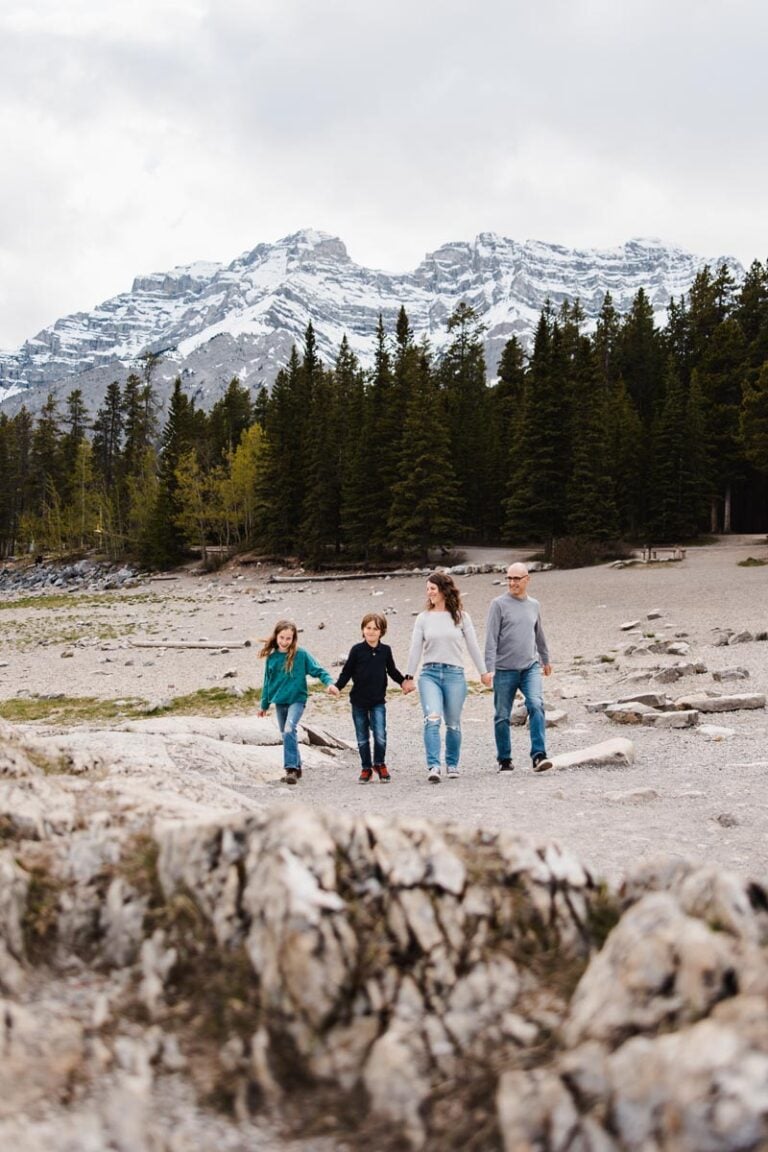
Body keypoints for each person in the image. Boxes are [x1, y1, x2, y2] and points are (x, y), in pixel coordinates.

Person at [405, 571, 492, 783]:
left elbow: (473, 646)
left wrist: (483, 673)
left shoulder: (462, 617)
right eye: (427, 589)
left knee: (453, 723)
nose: (429, 593)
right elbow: (415, 649)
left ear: (444, 590)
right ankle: (434, 766)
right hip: (430, 675)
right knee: (432, 719)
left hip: (455, 675)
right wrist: (408, 676)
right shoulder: (423, 618)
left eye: (433, 589)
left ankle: (452, 764)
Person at [484, 563, 553, 774]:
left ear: (527, 579)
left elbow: (538, 634)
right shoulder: (498, 604)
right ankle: (504, 759)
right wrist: (488, 668)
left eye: (516, 578)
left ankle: (539, 755)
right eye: (509, 578)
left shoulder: (534, 605)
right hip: (504, 669)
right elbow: (491, 638)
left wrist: (545, 659)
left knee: (536, 704)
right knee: (502, 715)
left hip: (530, 667)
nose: (512, 582)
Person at [335, 612, 415, 784]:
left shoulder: (385, 650)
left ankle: (379, 763)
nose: (371, 631)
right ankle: (366, 768)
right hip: (358, 701)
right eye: (368, 628)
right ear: (363, 630)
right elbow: (346, 672)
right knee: (362, 737)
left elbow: (392, 670)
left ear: (382, 632)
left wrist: (403, 682)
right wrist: (337, 687)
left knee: (380, 735)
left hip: (378, 701)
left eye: (375, 629)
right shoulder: (357, 650)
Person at [257, 619, 339, 784]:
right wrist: (264, 705)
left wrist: (329, 683)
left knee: (289, 729)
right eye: (282, 637)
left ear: (293, 638)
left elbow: (318, 670)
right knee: (287, 734)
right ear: (276, 636)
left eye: (288, 638)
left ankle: (291, 769)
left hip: (297, 700)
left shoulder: (301, 655)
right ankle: (297, 766)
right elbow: (267, 683)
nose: (284, 641)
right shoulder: (272, 659)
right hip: (280, 701)